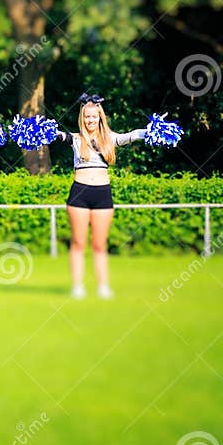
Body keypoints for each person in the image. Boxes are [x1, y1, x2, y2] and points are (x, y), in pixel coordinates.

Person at [54, 94, 147, 300]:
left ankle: (103, 286)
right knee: (78, 242)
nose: (90, 120)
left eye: (93, 117)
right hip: (79, 193)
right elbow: (58, 135)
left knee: (99, 244)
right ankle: (77, 286)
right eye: (86, 117)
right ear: (82, 117)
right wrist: (40, 131)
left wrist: (150, 132)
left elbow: (132, 135)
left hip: (102, 194)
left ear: (100, 117)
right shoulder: (76, 139)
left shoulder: (110, 139)